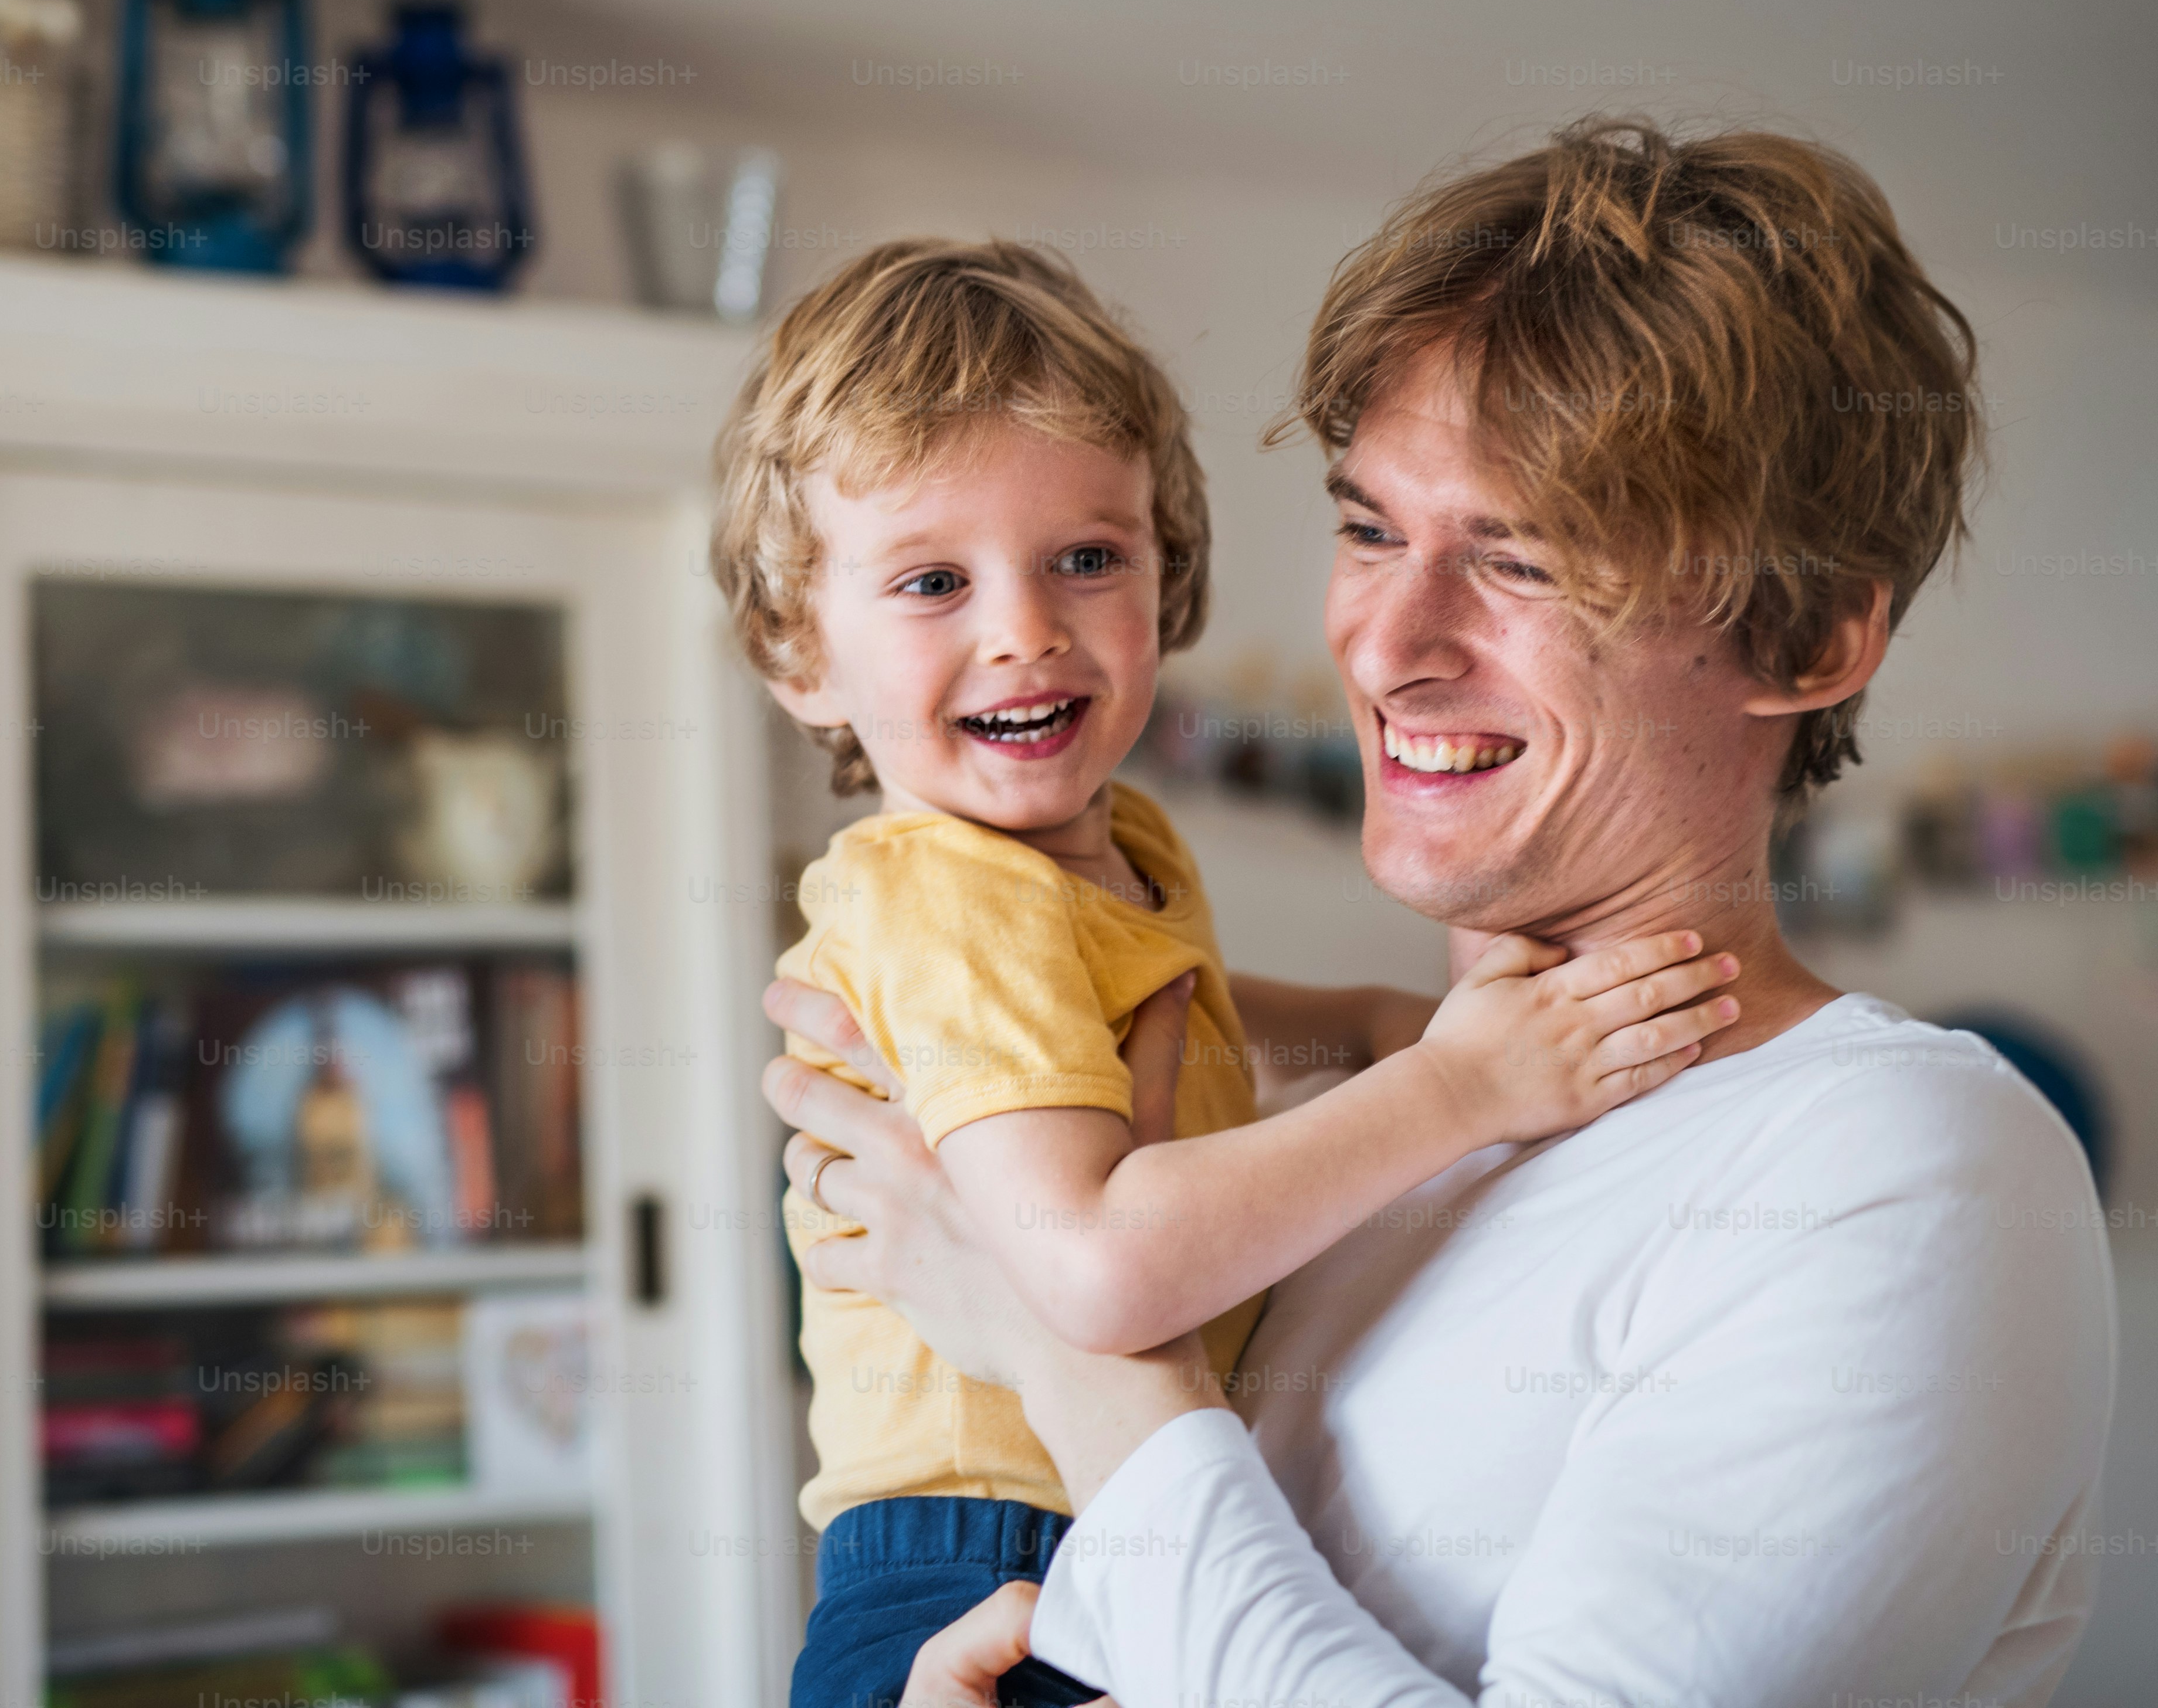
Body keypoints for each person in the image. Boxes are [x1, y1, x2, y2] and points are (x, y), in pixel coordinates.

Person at [764, 122, 2120, 1706]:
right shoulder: (1354, 1156)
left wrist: (1062, 1342)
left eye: (1520, 563)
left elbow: (1108, 1377)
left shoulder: (1896, 1166)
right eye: (1369, 530)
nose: (1390, 646)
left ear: (1808, 636)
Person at [711, 237, 1738, 1708]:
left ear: (1166, 577)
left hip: (1083, 1514)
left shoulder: (1105, 847)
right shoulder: (946, 894)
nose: (1024, 626)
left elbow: (1203, 1019)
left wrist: (1408, 1024)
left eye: (1087, 557)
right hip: (972, 1570)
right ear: (800, 653)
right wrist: (1461, 1080)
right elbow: (1102, 1267)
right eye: (934, 578)